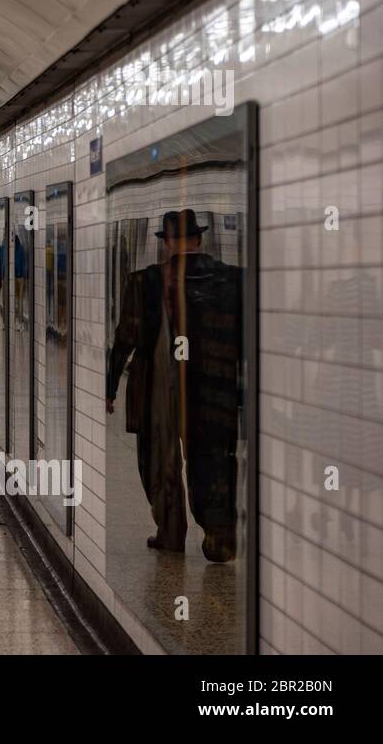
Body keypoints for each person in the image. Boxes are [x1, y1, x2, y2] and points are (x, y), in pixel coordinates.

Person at [106, 209, 242, 563]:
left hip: (158, 388)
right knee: (210, 457)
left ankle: (171, 533)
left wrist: (110, 386)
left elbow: (126, 337)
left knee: (159, 460)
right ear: (198, 239)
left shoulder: (144, 281)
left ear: (167, 244)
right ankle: (217, 533)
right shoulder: (231, 279)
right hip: (214, 387)